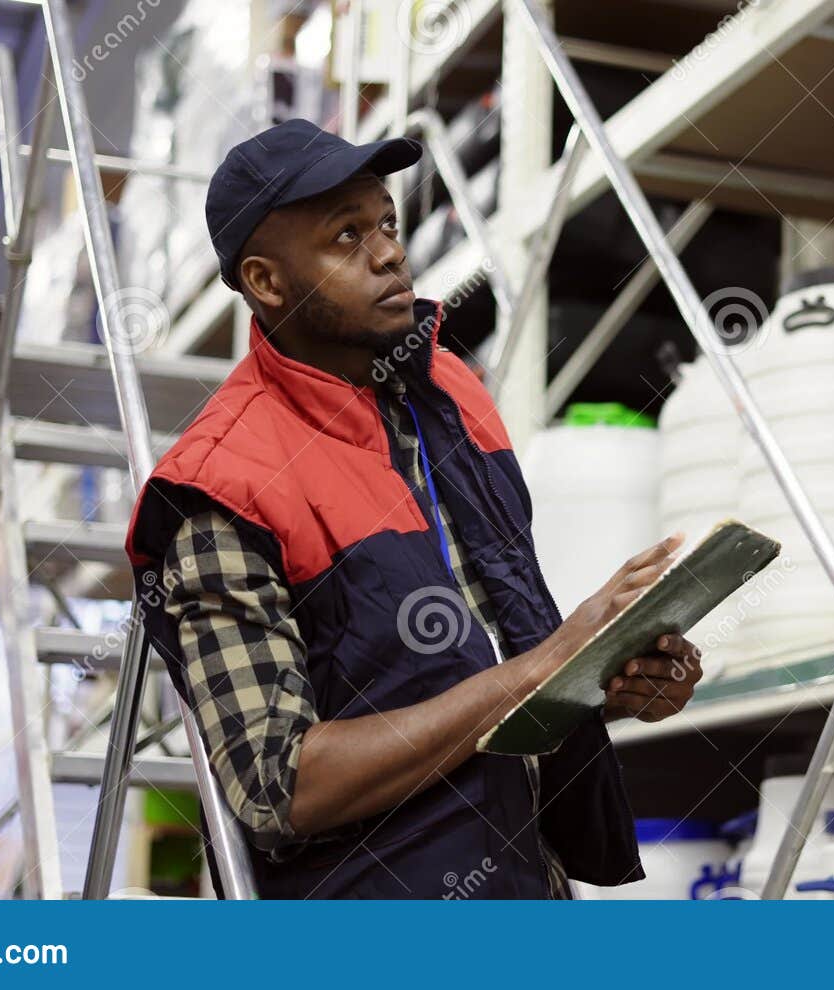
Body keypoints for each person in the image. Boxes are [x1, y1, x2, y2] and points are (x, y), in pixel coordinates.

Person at [124, 120, 704, 899]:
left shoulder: (450, 393)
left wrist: (606, 679)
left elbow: (486, 666)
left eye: (389, 224)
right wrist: (545, 666)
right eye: (347, 236)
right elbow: (278, 785)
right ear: (266, 282)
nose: (390, 253)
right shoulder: (222, 486)